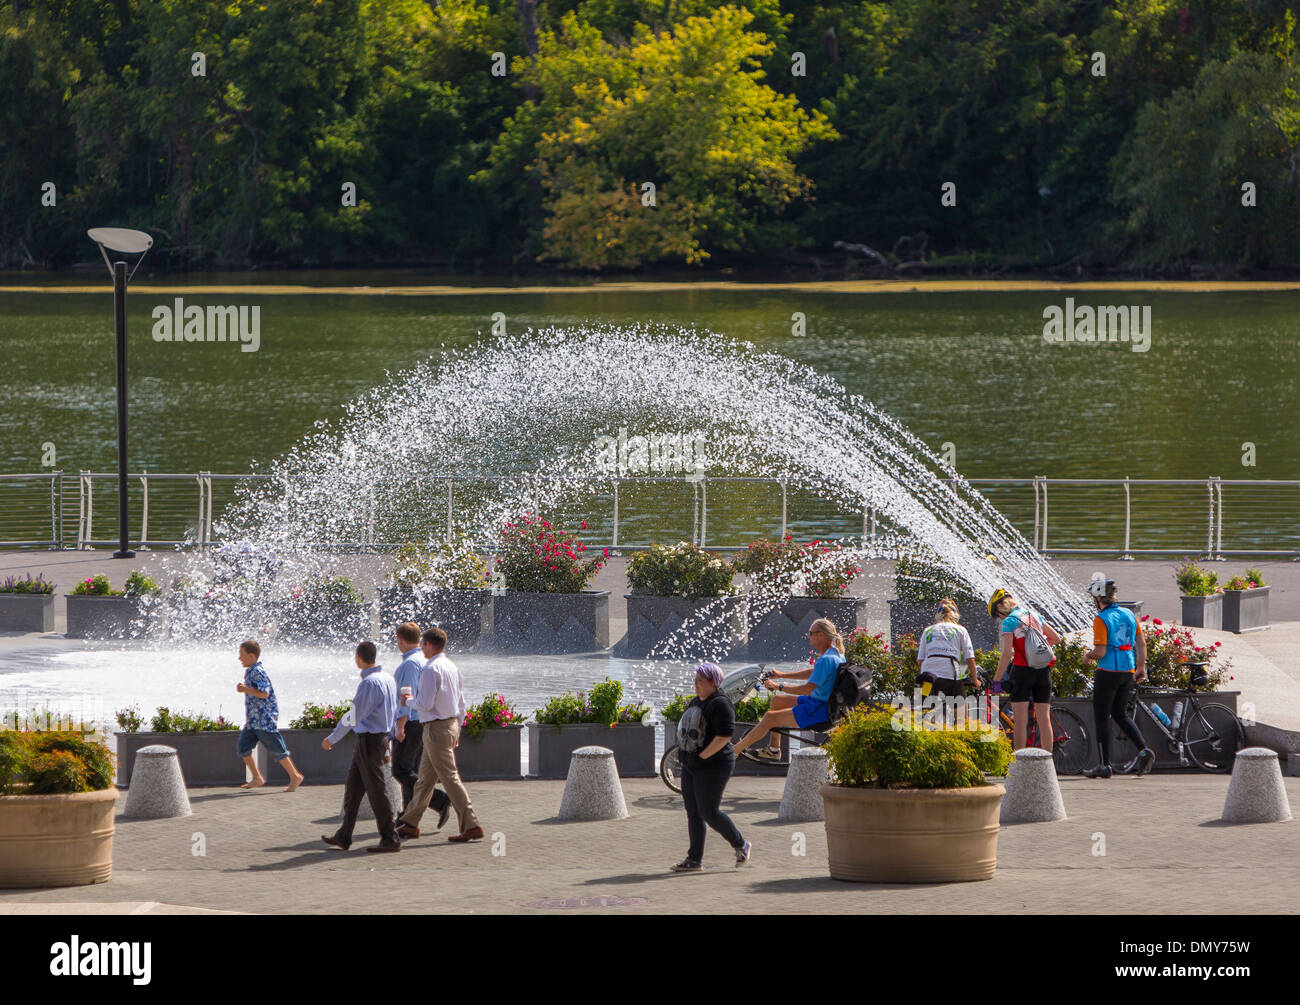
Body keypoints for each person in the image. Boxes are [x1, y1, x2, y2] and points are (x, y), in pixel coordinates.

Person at [394, 627, 483, 843]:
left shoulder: (430, 670)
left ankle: (472, 824)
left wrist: (408, 701)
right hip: (449, 725)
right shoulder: (452, 667)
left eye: (423, 645)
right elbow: (461, 703)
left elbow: (425, 703)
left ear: (429, 645)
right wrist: (457, 729)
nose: (422, 648)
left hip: (435, 728)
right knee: (424, 780)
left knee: (450, 778)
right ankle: (410, 823)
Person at [321, 641, 401, 853]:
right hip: (378, 738)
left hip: (369, 741)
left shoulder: (369, 684)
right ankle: (344, 835)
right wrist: (390, 737)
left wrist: (333, 738)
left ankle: (390, 838)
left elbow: (354, 717)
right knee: (354, 788)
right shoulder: (388, 679)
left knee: (376, 791)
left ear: (358, 657)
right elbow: (394, 711)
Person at [670, 662, 751, 873]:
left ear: (713, 683)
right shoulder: (696, 701)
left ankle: (741, 844)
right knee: (693, 811)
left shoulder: (721, 704)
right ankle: (694, 859)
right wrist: (684, 753)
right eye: (695, 680)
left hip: (715, 764)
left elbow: (724, 736)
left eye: (700, 681)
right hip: (692, 762)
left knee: (709, 811)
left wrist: (701, 756)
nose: (695, 684)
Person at [733, 617, 844, 760]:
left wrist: (778, 686)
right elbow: (813, 673)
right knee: (777, 701)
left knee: (769, 718)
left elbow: (807, 689)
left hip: (820, 712)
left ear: (821, 635)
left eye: (810, 633)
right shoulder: (835, 654)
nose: (808, 636)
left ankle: (734, 751)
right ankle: (774, 750)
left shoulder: (826, 659)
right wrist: (782, 675)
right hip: (823, 705)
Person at [1082, 579, 1155, 778]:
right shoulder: (1129, 614)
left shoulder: (1102, 619)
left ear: (1098, 599)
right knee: (1120, 714)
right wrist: (1140, 668)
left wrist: (1088, 656)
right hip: (1128, 670)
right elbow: (1141, 644)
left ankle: (1105, 766)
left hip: (1108, 672)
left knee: (1101, 716)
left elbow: (1101, 650)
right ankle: (1144, 750)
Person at [390, 621, 451, 829]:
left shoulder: (408, 664)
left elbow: (405, 697)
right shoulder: (424, 660)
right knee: (411, 770)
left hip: (410, 724)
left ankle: (439, 799)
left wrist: (400, 726)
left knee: (401, 771)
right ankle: (407, 819)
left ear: (400, 640)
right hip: (423, 722)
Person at [988, 589, 1061, 752]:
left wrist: (997, 680)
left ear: (1000, 607)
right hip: (1043, 671)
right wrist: (1036, 652)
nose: (999, 618)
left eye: (997, 614)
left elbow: (1007, 654)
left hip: (1022, 672)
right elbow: (1056, 638)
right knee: (1044, 720)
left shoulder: (1009, 622)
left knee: (1020, 722)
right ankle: (1047, 763)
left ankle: (1019, 764)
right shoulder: (1033, 615)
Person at [234, 640, 304, 791]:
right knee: (243, 747)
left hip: (264, 720)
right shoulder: (251, 671)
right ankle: (257, 778)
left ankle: (295, 776)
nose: (239, 658)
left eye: (242, 655)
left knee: (278, 750)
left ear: (252, 656)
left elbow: (265, 693)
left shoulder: (258, 672)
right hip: (253, 721)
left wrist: (245, 689)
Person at [915, 598, 978, 698]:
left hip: (928, 677)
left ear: (938, 616)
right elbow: (970, 658)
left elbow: (920, 661)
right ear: (956, 615)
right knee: (961, 711)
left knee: (929, 708)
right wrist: (975, 680)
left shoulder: (928, 631)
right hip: (949, 673)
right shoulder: (960, 630)